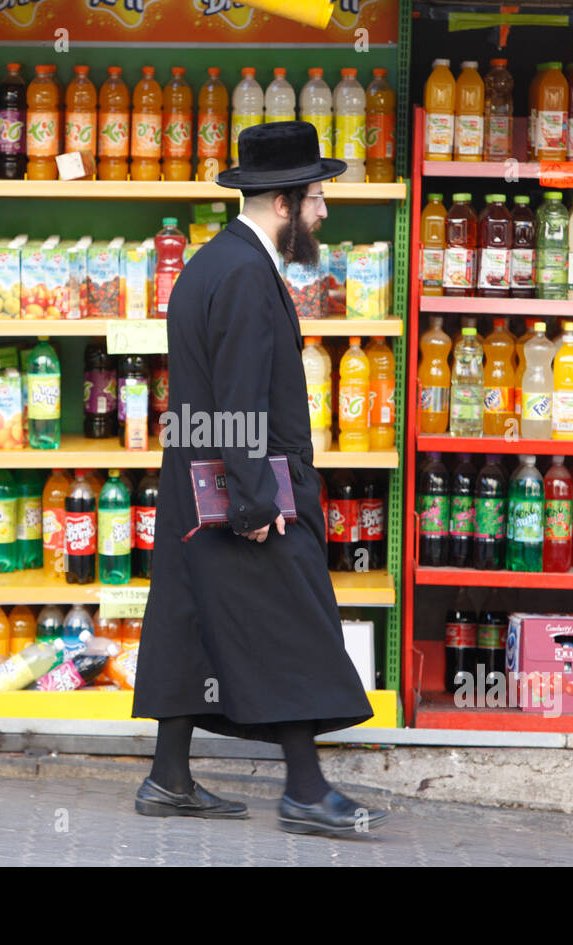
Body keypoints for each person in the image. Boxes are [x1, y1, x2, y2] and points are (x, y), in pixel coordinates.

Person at [131, 121, 389, 836]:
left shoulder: (212, 263)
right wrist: (253, 499)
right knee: (292, 620)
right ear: (283, 200)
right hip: (242, 480)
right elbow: (240, 392)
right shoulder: (247, 274)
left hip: (193, 471)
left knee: (189, 618)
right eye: (316, 198)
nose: (323, 212)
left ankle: (169, 777)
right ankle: (306, 789)